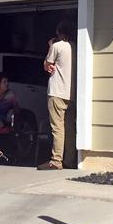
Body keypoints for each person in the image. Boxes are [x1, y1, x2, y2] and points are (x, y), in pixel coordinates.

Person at [40, 21, 73, 170]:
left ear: (59, 33)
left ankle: (56, 160)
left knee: (57, 128)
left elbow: (47, 65)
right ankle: (70, 160)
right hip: (71, 92)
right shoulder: (76, 47)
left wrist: (50, 46)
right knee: (69, 128)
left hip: (57, 91)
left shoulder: (57, 46)